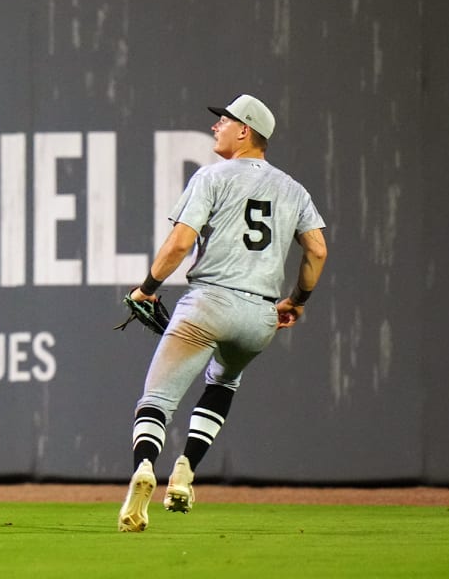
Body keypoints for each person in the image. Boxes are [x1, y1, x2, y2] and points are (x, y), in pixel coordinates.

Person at [116, 94, 328, 532]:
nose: (216, 127)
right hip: (259, 317)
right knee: (224, 381)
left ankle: (143, 470)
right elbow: (318, 249)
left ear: (245, 130)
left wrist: (148, 288)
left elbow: (178, 244)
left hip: (209, 303)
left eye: (224, 121)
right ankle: (186, 470)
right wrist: (297, 302)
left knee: (157, 400)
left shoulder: (212, 176)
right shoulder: (293, 189)